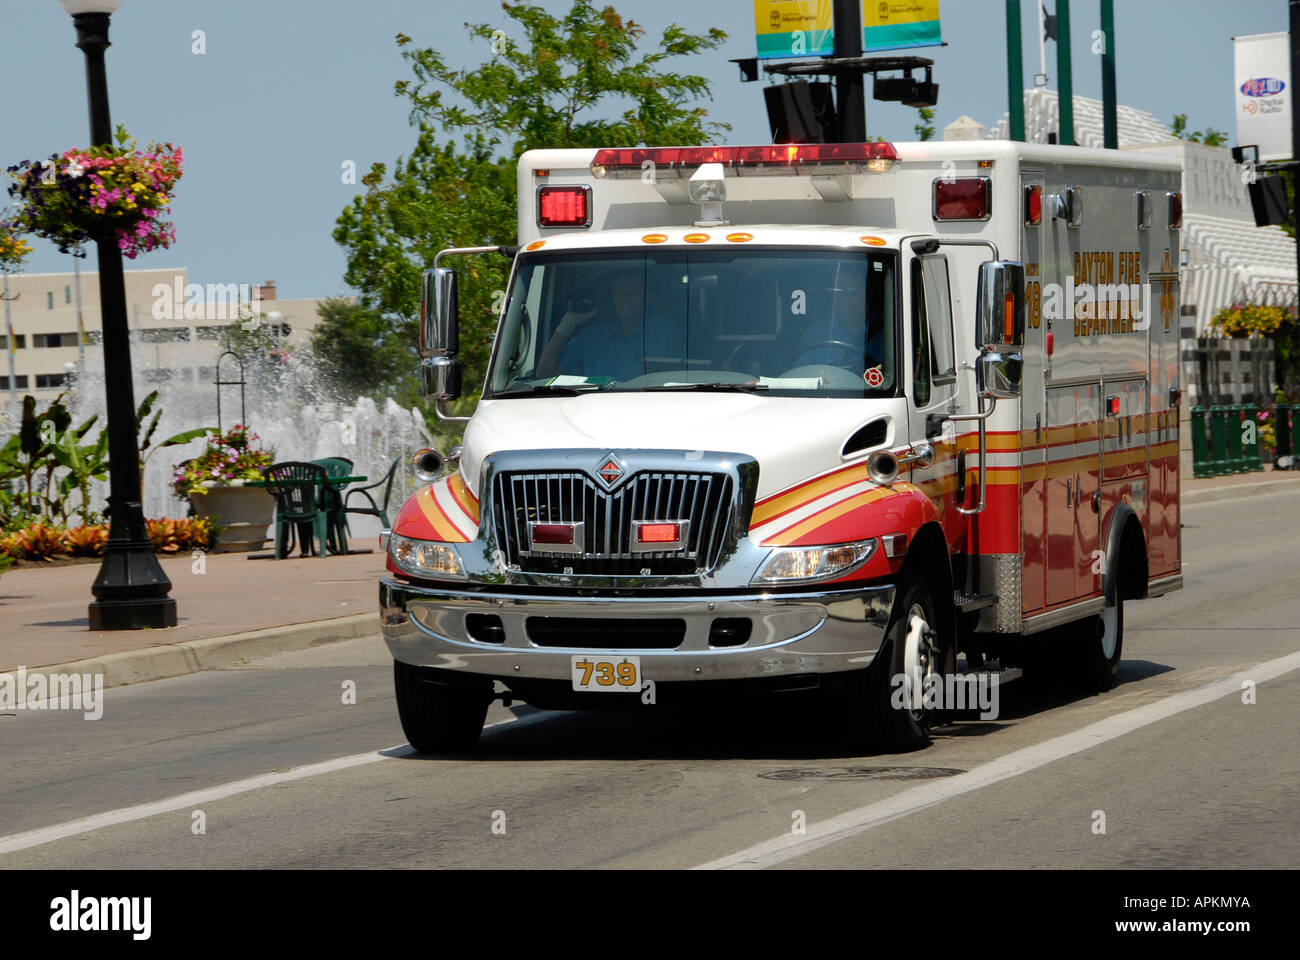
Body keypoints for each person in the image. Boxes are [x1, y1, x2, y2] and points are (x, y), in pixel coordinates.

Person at [536, 269, 675, 382]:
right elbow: (545, 374)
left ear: (646, 297)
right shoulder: (592, 337)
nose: (625, 299)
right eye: (620, 293)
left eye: (632, 293)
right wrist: (566, 325)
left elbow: (682, 378)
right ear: (613, 297)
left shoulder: (666, 334)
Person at [792, 267, 884, 375]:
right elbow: (801, 375)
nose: (843, 297)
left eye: (851, 290)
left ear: (868, 293)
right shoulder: (816, 332)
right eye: (838, 291)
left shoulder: (887, 332)